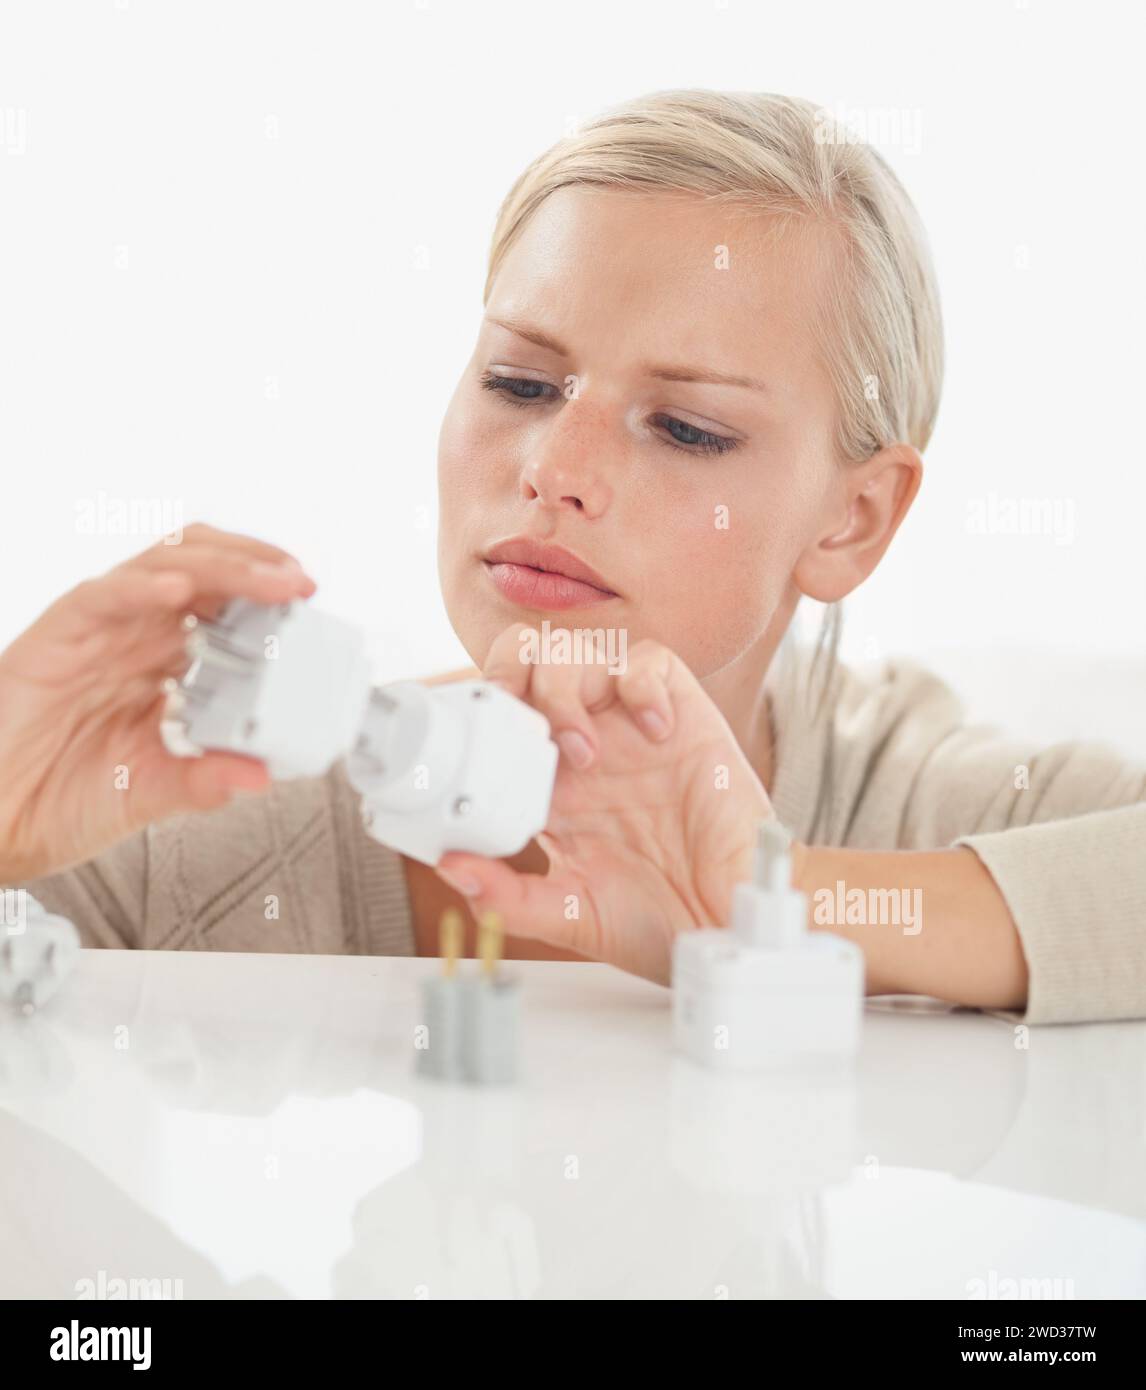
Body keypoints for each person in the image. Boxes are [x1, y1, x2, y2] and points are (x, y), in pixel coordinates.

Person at [4, 91, 1144, 1024]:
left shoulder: (917, 796)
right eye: (520, 381)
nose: (557, 464)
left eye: (689, 426)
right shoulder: (191, 826)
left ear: (852, 519)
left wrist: (772, 906)